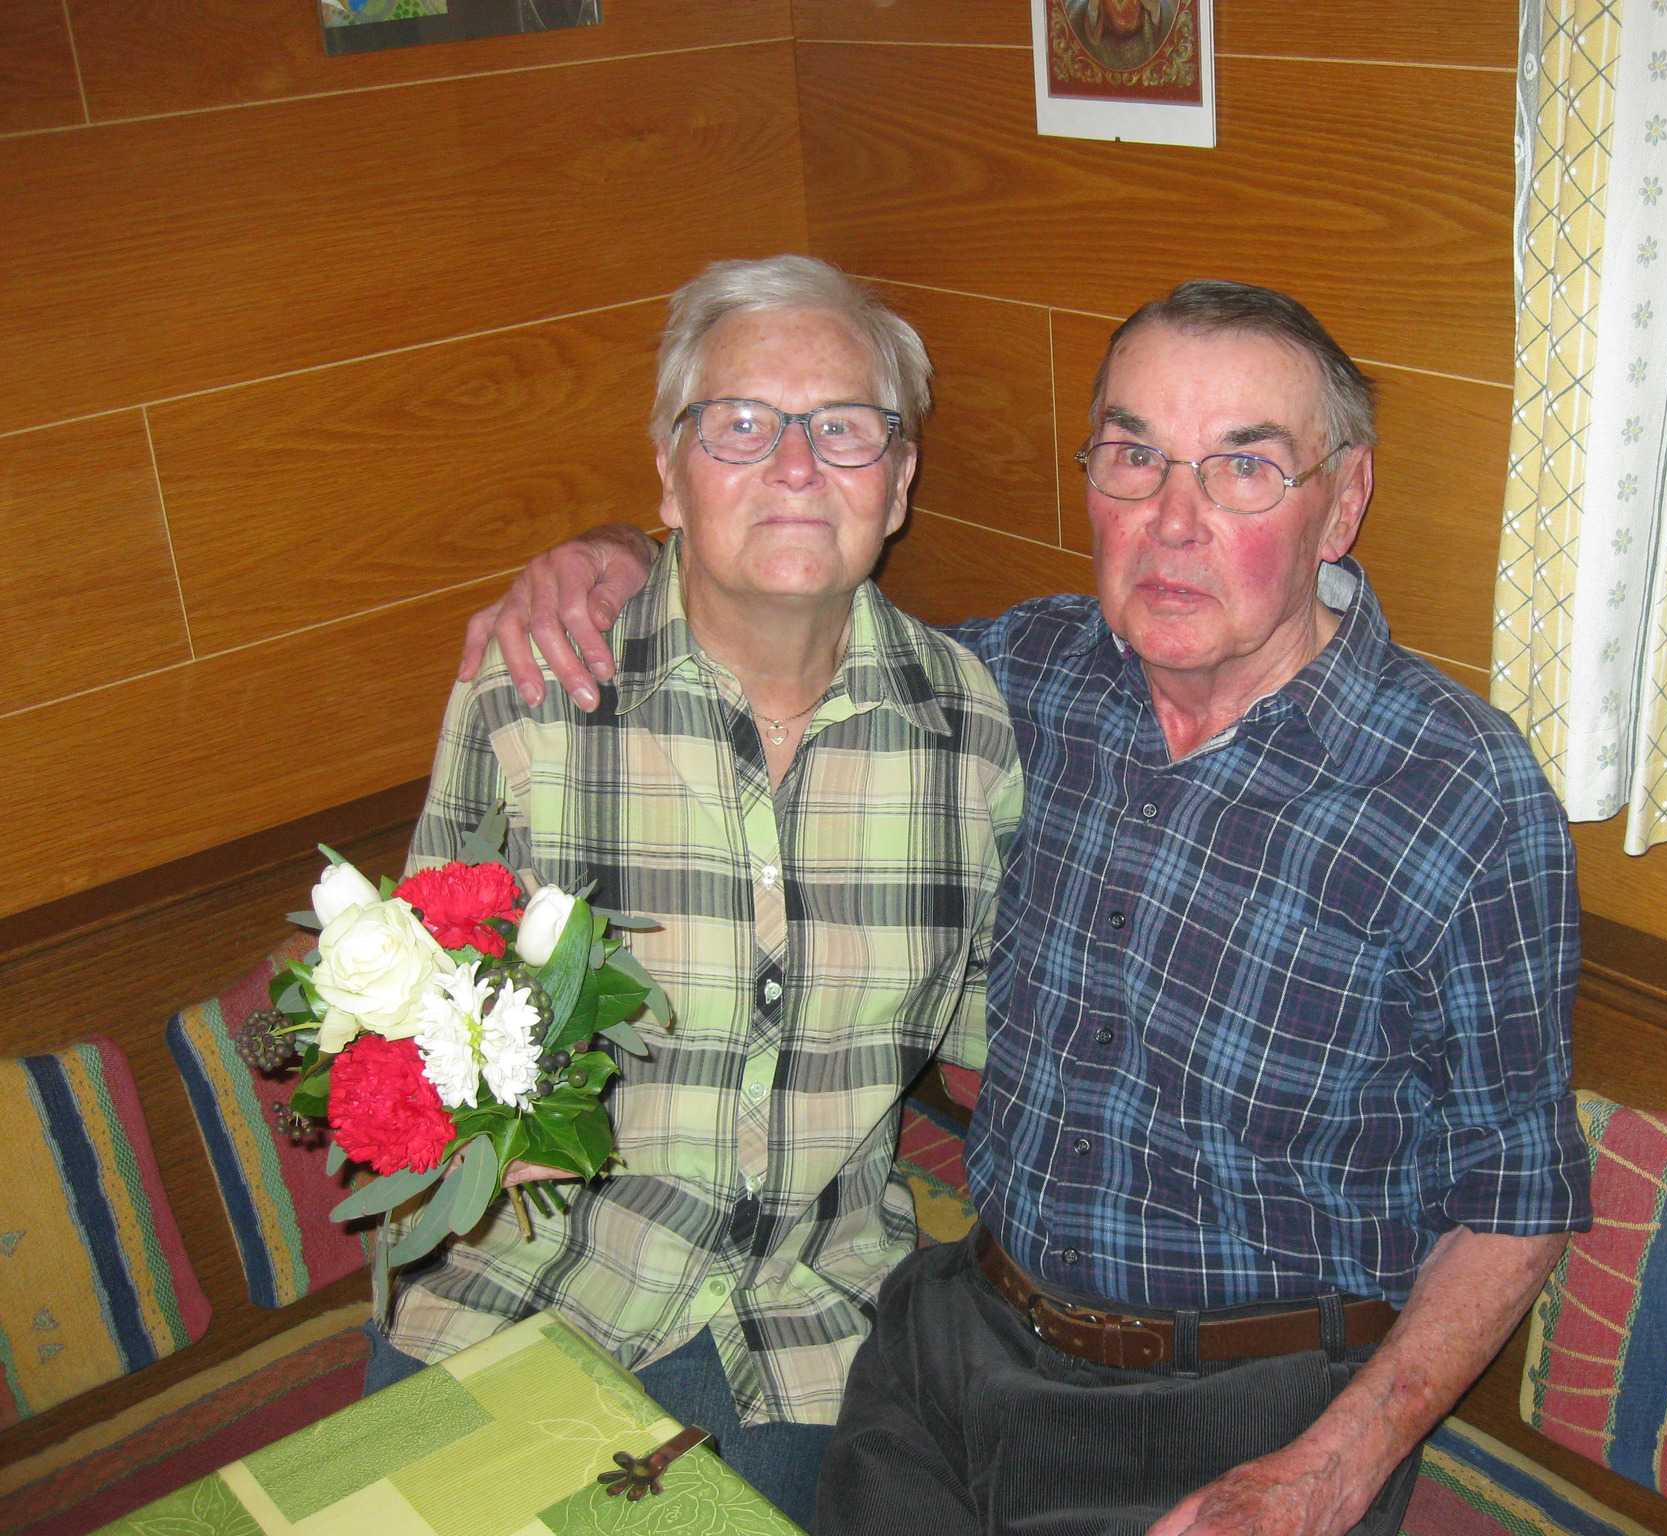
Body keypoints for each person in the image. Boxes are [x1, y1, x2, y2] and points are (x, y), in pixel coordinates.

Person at [464, 279, 1590, 1536]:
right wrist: (614, 552)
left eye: (1243, 470)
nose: (1171, 522)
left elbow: (1517, 1195)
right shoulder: (1019, 682)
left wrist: (1331, 1467)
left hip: (1242, 1406)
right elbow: (784, 607)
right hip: (954, 1348)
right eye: (1132, 458)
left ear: (1343, 501)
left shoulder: (1455, 793)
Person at [369, 255, 1022, 1530]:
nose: (793, 468)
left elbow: (1004, 1046)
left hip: (817, 1335)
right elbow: (407, 1032)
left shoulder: (969, 730)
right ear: (667, 475)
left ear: (897, 483)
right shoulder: (530, 699)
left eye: (842, 429)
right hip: (530, 1303)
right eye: (739, 426)